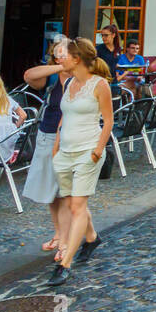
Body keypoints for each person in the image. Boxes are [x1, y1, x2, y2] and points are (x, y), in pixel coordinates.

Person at [22, 38, 98, 263]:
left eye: (63, 53)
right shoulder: (54, 77)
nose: (59, 57)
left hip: (71, 140)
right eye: (56, 54)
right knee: (52, 192)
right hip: (47, 135)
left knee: (68, 194)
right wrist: (60, 67)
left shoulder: (82, 78)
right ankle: (81, 235)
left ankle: (66, 241)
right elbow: (29, 76)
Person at [48, 37, 114, 286]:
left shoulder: (100, 85)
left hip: (88, 151)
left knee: (76, 206)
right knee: (72, 202)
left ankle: (65, 264)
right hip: (65, 152)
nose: (60, 59)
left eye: (64, 55)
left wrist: (98, 150)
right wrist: (55, 148)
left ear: (77, 59)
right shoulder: (68, 82)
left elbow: (108, 120)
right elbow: (63, 118)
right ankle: (92, 237)